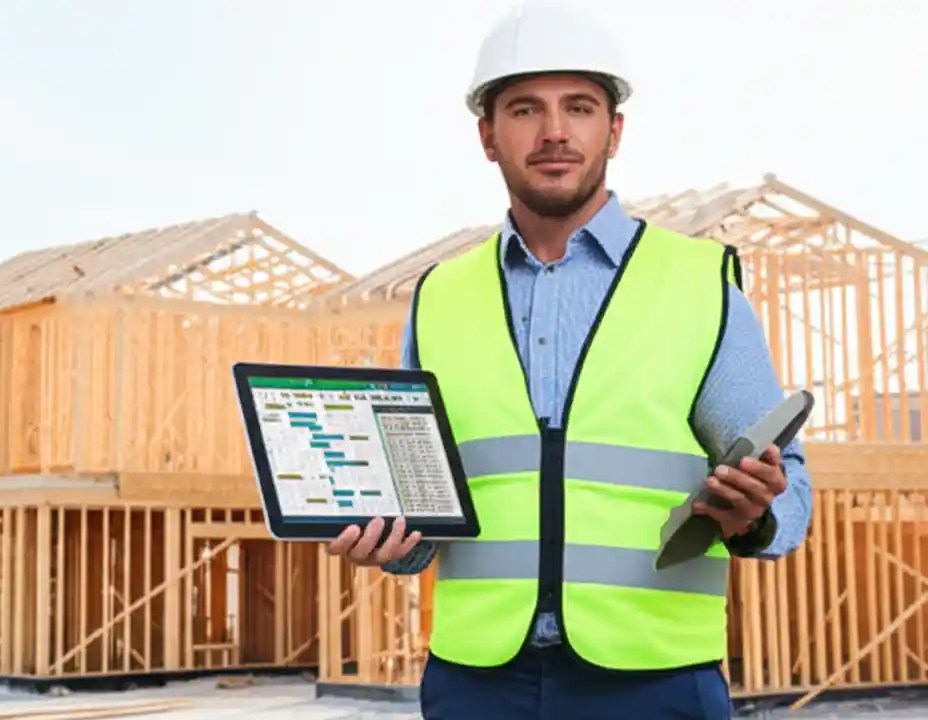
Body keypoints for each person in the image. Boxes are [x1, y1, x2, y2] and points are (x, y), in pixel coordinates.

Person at [323, 4, 812, 719]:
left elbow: (788, 487)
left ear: (614, 129)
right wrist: (389, 543)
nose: (554, 131)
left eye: (578, 107)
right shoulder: (441, 297)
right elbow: (424, 516)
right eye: (525, 109)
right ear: (488, 135)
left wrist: (757, 517)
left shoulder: (700, 283)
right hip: (476, 680)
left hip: (657, 679)